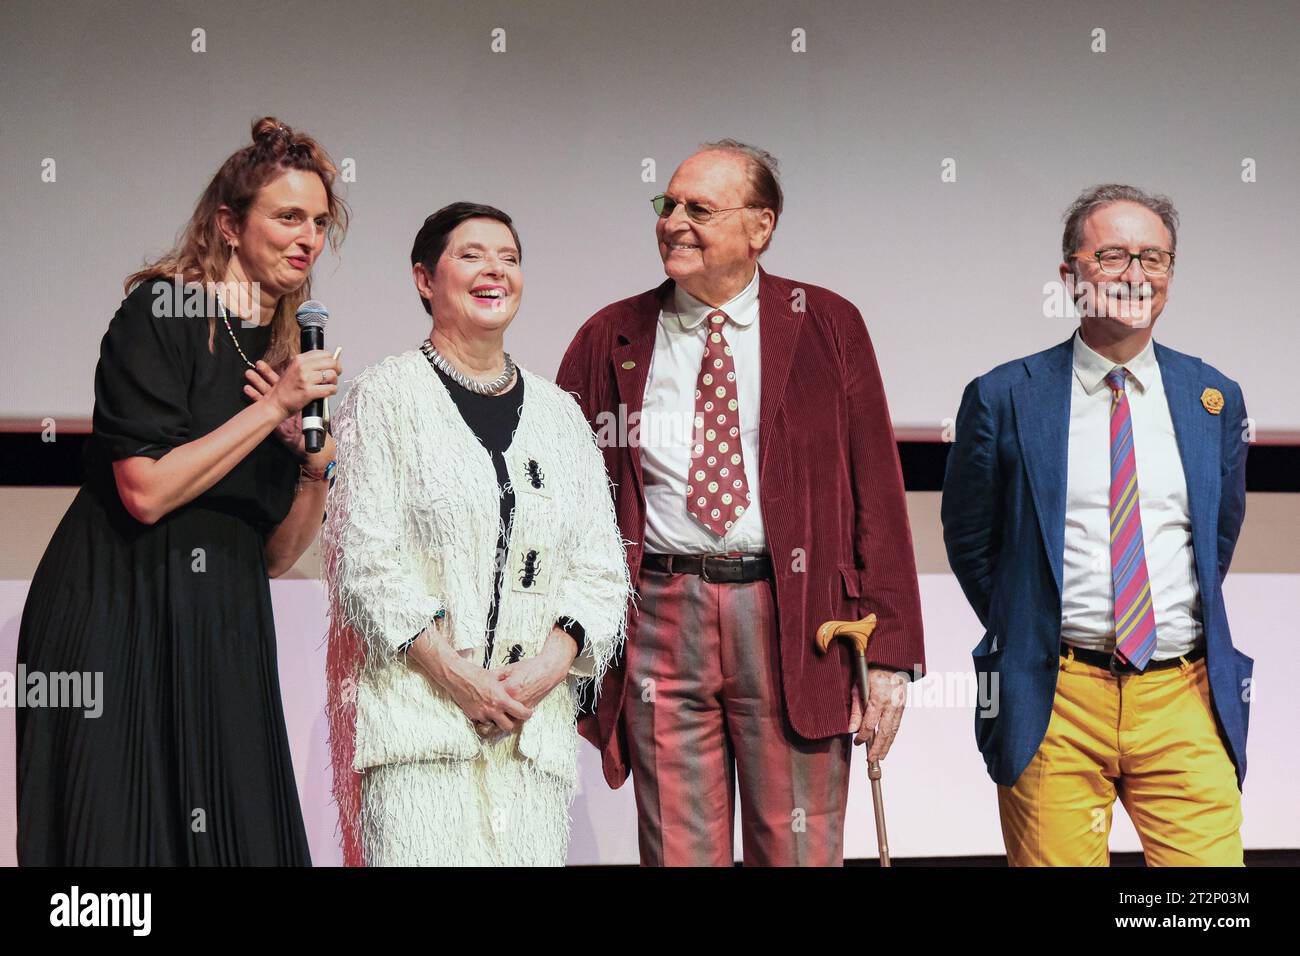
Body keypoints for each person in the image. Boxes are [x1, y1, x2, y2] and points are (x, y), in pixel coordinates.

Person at [556, 141, 925, 866]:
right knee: (678, 849)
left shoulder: (827, 324)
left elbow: (876, 491)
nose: (674, 222)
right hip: (661, 612)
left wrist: (891, 656)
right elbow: (567, 499)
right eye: (667, 205)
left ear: (761, 226)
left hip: (796, 619)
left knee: (799, 847)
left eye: (700, 208)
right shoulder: (613, 335)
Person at [16, 117, 347, 865]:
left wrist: (311, 466)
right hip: (118, 606)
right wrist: (269, 408)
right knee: (121, 836)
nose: (309, 237)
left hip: (222, 620)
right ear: (230, 224)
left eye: (321, 222)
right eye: (288, 216)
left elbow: (274, 554)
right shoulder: (160, 315)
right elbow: (146, 491)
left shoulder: (283, 354)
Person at [941, 184, 1252, 866]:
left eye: (1154, 257)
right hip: (1055, 694)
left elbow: (1216, 539)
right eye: (1112, 255)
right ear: (1069, 275)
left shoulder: (1213, 398)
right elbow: (970, 539)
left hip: (1183, 694)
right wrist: (1028, 625)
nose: (1136, 274)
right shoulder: (1003, 395)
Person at [323, 202, 630, 867]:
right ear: (424, 278)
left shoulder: (560, 416)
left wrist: (547, 669)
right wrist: (458, 677)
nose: (495, 270)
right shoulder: (385, 398)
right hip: (418, 737)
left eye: (510, 258)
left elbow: (602, 572)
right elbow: (365, 564)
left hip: (530, 740)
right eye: (471, 255)